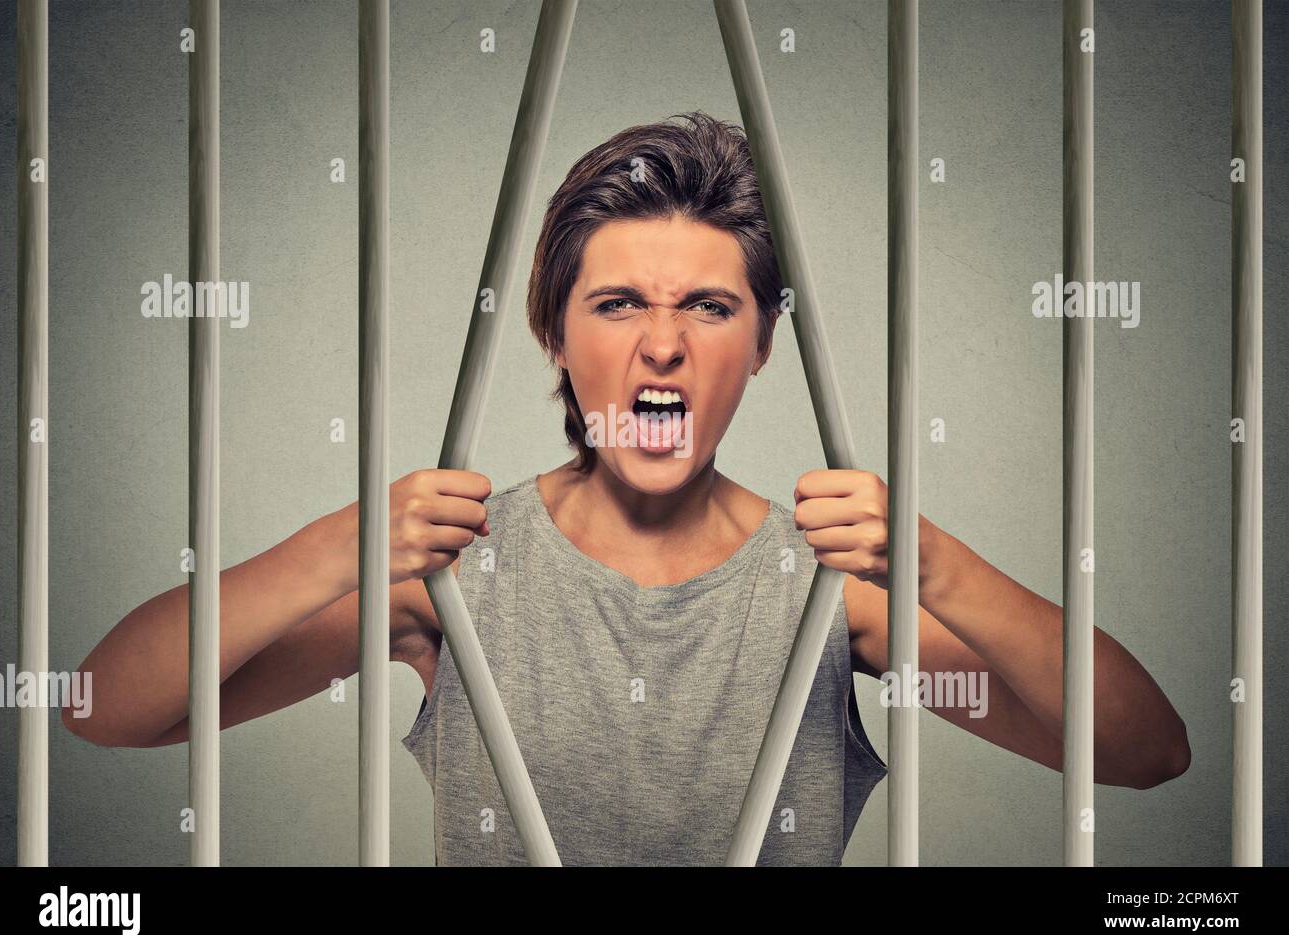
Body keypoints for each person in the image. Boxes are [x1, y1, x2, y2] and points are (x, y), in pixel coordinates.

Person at [64, 111, 1190, 866]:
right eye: (615, 305)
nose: (662, 346)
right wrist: (335, 547)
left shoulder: (826, 590)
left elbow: (1144, 750)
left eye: (709, 306)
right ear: (553, 331)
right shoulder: (459, 576)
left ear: (758, 345)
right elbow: (107, 706)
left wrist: (938, 566)